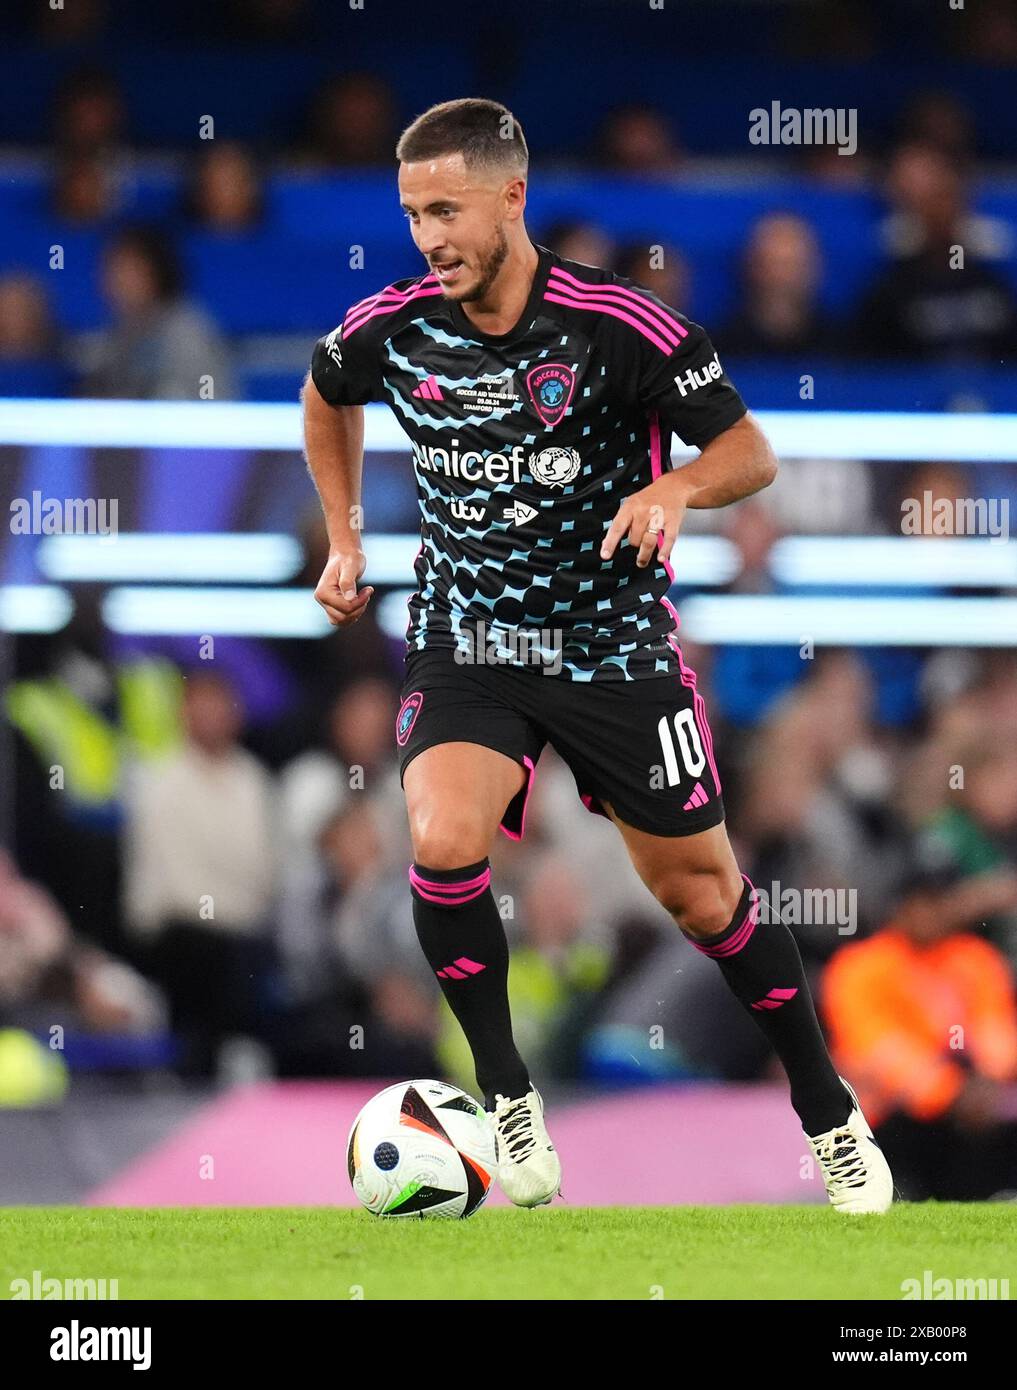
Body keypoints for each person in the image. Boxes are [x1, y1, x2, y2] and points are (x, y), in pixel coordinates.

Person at [301, 97, 893, 1214]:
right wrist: (343, 535)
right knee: (439, 833)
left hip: (611, 646)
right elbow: (324, 395)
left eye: (448, 210)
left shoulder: (618, 325)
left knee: (705, 895)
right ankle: (511, 1100)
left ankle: (828, 1111)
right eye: (414, 214)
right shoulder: (393, 325)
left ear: (510, 198)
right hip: (467, 636)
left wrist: (672, 486)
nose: (430, 238)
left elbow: (749, 449)